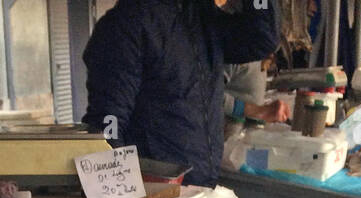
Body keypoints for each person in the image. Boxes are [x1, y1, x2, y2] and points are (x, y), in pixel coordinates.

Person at [83, 0, 280, 187]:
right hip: (154, 195)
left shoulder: (202, 20)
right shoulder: (127, 24)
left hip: (198, 190)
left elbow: (260, 38)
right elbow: (108, 122)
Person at [224, 62, 290, 127]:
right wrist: (254, 110)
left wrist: (260, 111)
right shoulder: (247, 61)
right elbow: (214, 94)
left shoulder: (259, 68)